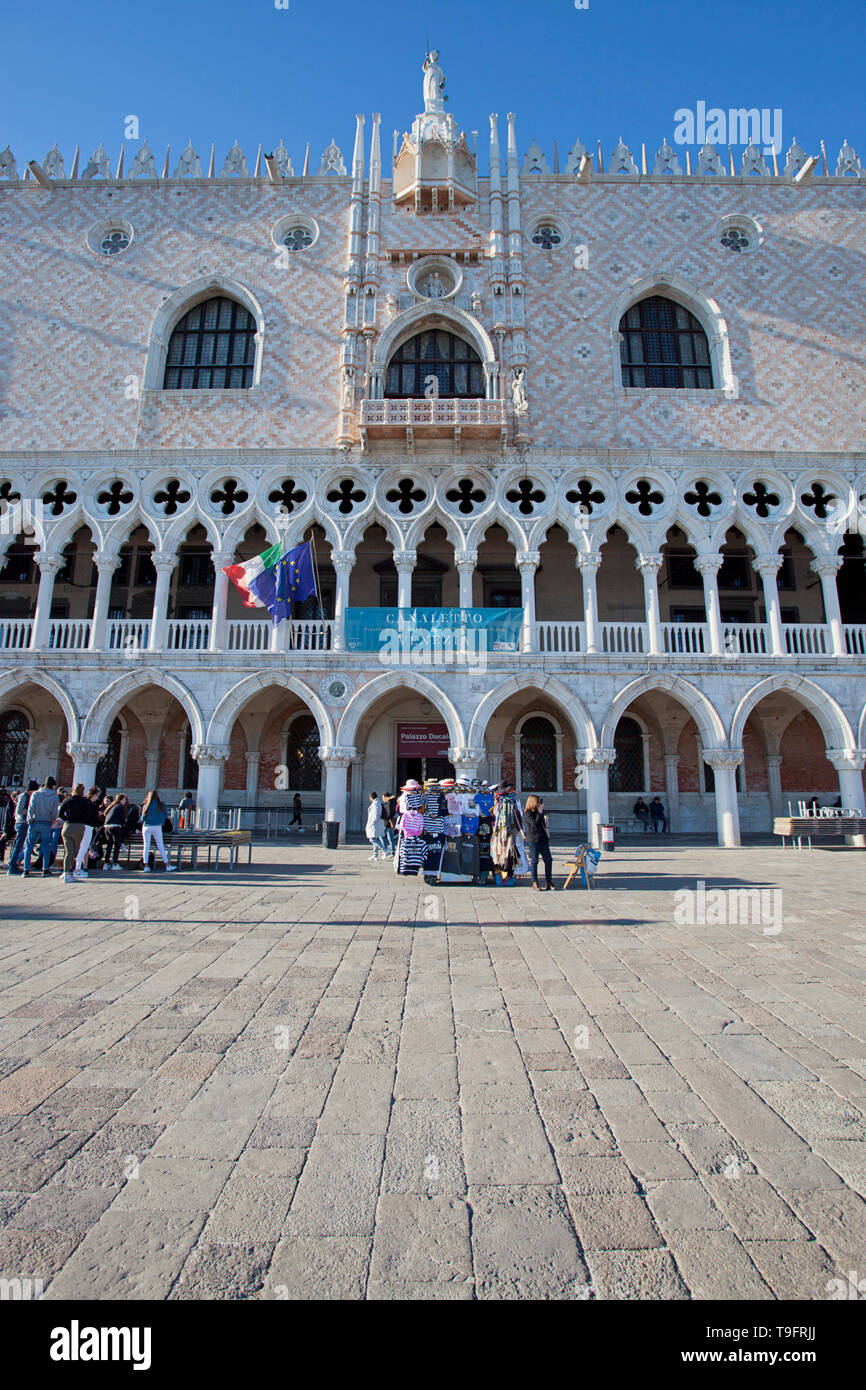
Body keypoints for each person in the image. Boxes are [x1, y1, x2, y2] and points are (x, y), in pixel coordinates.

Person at [22, 776, 60, 877]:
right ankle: (45, 869)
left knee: (29, 847)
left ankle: (26, 870)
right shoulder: (54, 796)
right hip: (47, 823)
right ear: (52, 786)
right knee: (46, 847)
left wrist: (29, 820)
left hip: (34, 822)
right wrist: (52, 821)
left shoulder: (36, 794)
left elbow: (31, 808)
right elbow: (54, 812)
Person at [58, 783, 91, 883]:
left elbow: (60, 814)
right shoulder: (84, 801)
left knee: (68, 851)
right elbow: (88, 814)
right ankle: (69, 873)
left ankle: (65, 872)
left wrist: (67, 819)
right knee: (74, 851)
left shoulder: (67, 799)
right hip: (78, 826)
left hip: (67, 826)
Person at [523, 794, 555, 891]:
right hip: (533, 839)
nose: (540, 804)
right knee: (534, 860)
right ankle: (534, 881)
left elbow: (542, 825)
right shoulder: (528, 813)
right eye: (538, 802)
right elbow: (534, 824)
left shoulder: (539, 812)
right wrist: (540, 814)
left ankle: (549, 881)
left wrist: (541, 814)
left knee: (548, 860)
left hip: (543, 839)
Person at [6, 780, 38, 875]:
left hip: (22, 822)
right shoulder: (24, 797)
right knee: (19, 845)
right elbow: (20, 810)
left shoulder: (24, 796)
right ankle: (12, 865)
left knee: (19, 845)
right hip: (22, 822)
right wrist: (30, 812)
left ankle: (14, 864)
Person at [141, 790, 175, 873]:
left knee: (146, 846)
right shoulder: (161, 805)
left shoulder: (146, 805)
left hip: (147, 826)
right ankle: (167, 865)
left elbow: (142, 818)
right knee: (160, 845)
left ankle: (146, 866)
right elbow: (165, 816)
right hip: (157, 826)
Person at [74, 787, 104, 878]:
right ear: (94, 795)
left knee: (82, 848)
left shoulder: (86, 803)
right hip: (88, 826)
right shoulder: (89, 804)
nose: (97, 798)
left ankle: (77, 868)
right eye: (97, 796)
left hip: (84, 826)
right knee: (83, 848)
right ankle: (77, 869)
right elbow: (90, 815)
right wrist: (97, 814)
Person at [103, 794, 128, 869]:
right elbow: (123, 819)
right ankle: (115, 863)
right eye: (124, 800)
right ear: (121, 800)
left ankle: (106, 863)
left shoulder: (111, 807)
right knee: (117, 845)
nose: (125, 801)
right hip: (116, 827)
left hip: (107, 827)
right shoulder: (120, 807)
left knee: (109, 845)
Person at [365, 791, 387, 861]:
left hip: (375, 824)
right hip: (375, 824)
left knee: (372, 839)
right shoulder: (376, 803)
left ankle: (385, 850)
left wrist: (373, 822)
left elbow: (377, 814)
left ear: (371, 797)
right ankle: (375, 855)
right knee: (374, 838)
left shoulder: (376, 803)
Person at [0, 788, 14, 863]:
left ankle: (12, 860)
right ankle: (1, 860)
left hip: (14, 827)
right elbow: (7, 818)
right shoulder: (10, 805)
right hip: (9, 827)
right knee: (2, 841)